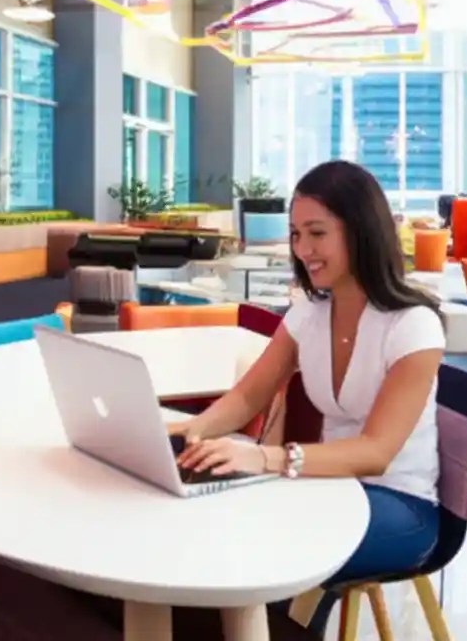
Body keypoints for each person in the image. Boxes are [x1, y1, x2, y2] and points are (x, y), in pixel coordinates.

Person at [169, 160, 446, 625]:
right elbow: (245, 398)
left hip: (400, 506)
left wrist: (268, 460)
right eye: (296, 234)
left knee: (260, 545)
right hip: (326, 488)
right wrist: (183, 433)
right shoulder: (310, 313)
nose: (303, 249)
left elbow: (376, 453)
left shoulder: (412, 326)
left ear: (359, 231)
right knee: (216, 524)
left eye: (317, 233)